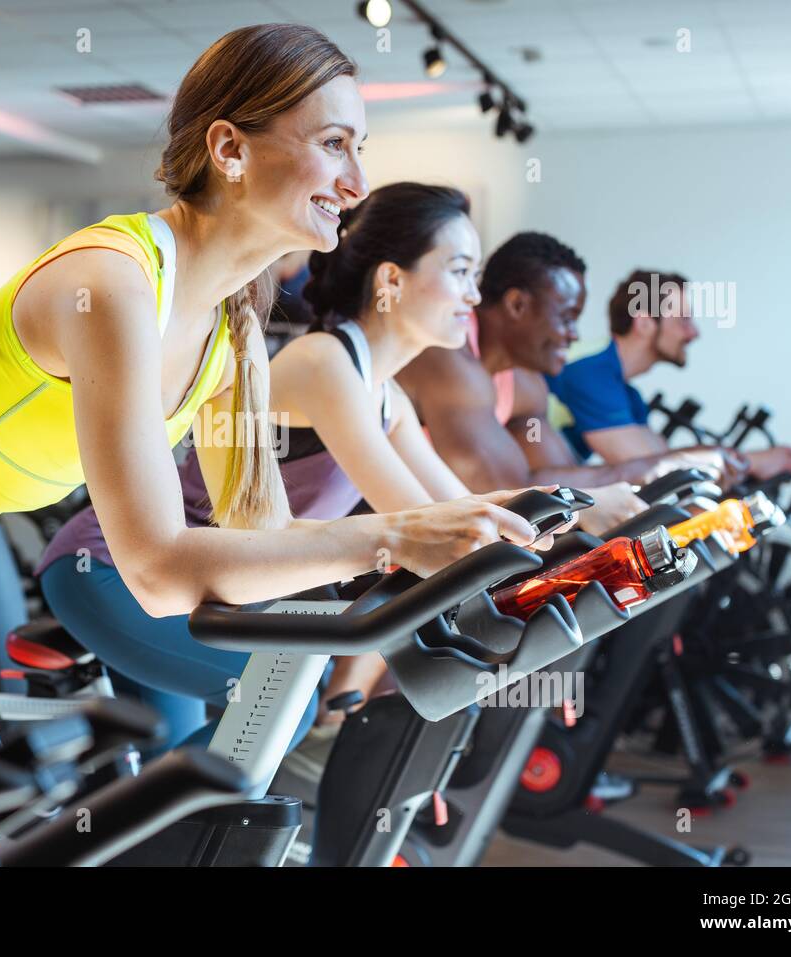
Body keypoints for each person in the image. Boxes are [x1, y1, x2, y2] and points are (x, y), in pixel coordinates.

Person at [0, 24, 538, 783]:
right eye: (335, 144)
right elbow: (158, 569)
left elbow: (258, 533)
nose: (354, 183)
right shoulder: (112, 284)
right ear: (229, 149)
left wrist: (436, 559)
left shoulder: (234, 317)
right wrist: (391, 538)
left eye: (361, 151)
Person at [38, 182, 566, 749]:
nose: (473, 296)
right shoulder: (324, 363)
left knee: (177, 753)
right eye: (461, 271)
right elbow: (412, 517)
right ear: (391, 280)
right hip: (111, 570)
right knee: (276, 706)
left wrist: (572, 514)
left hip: (201, 588)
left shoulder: (387, 397)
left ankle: (126, 835)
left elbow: (453, 508)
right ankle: (135, 838)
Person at [396, 233, 738, 531]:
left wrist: (660, 470)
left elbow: (552, 474)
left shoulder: (526, 384)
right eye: (566, 317)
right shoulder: (449, 357)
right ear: (516, 304)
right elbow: (511, 493)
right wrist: (656, 468)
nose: (574, 335)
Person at [547, 268, 791, 478]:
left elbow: (663, 458)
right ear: (645, 323)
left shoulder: (627, 393)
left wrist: (744, 462)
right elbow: (653, 473)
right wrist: (752, 461)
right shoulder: (591, 371)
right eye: (683, 319)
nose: (694, 333)